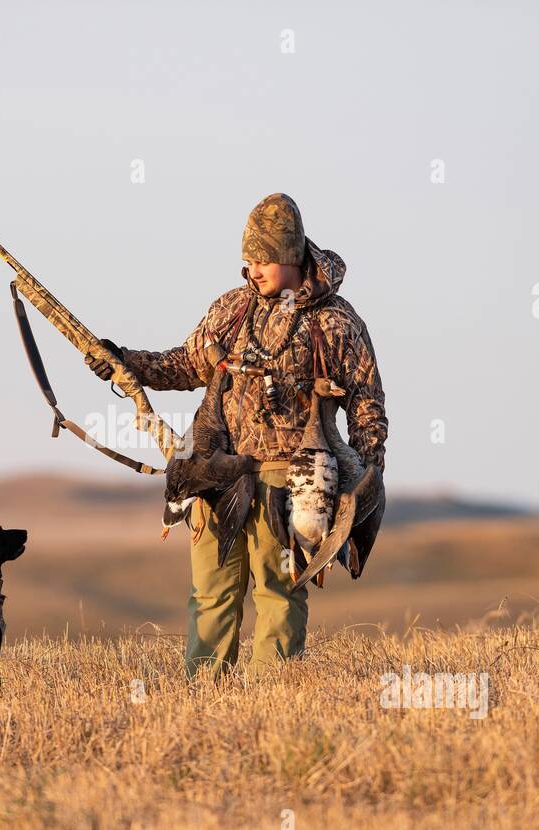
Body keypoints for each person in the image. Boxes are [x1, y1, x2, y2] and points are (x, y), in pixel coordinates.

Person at [87, 193, 388, 679]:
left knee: (279, 589)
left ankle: (275, 700)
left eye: (264, 258)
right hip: (213, 471)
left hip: (290, 477)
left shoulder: (336, 322)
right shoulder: (230, 308)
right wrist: (122, 360)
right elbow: (184, 365)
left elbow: (368, 406)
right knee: (211, 591)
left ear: (292, 255)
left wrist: (363, 487)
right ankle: (205, 696)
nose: (253, 269)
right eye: (248, 259)